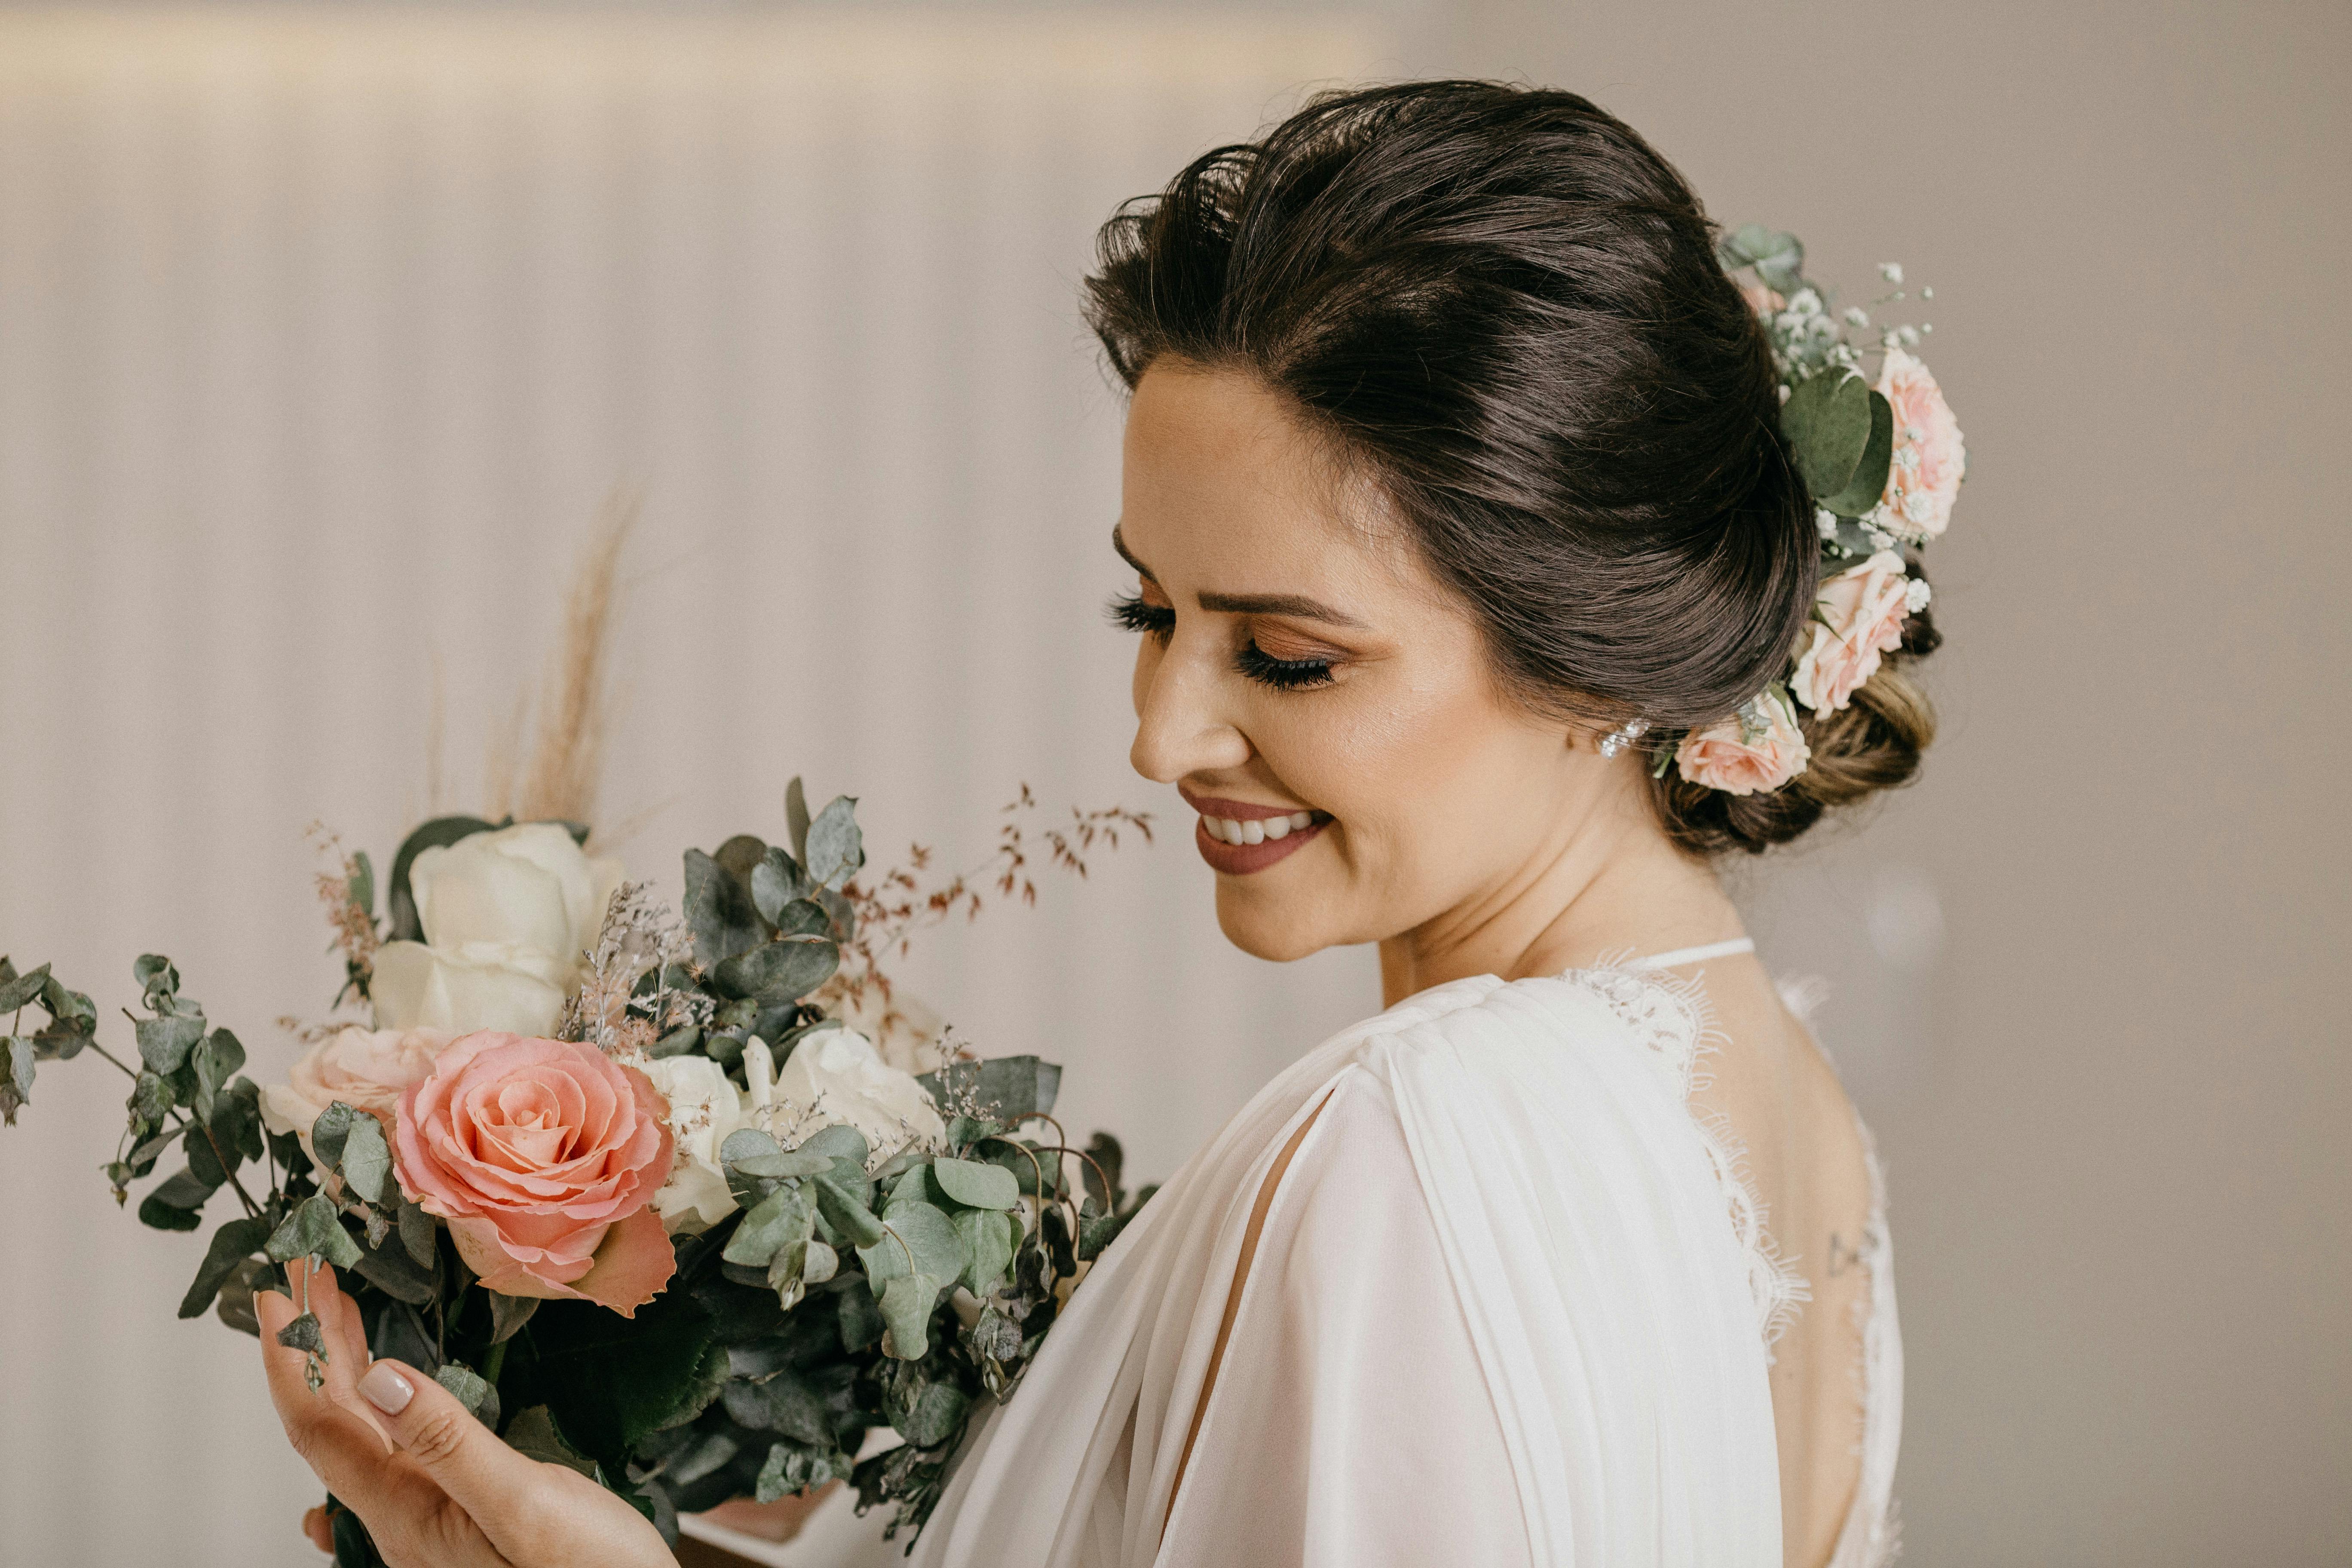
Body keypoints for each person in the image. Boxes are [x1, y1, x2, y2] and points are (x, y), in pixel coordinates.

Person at [262, 80, 1925, 1568]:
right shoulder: (1793, 1111)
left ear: (1600, 653)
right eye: (1152, 614)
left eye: (1289, 655)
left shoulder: (1414, 1139)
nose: (1161, 738)